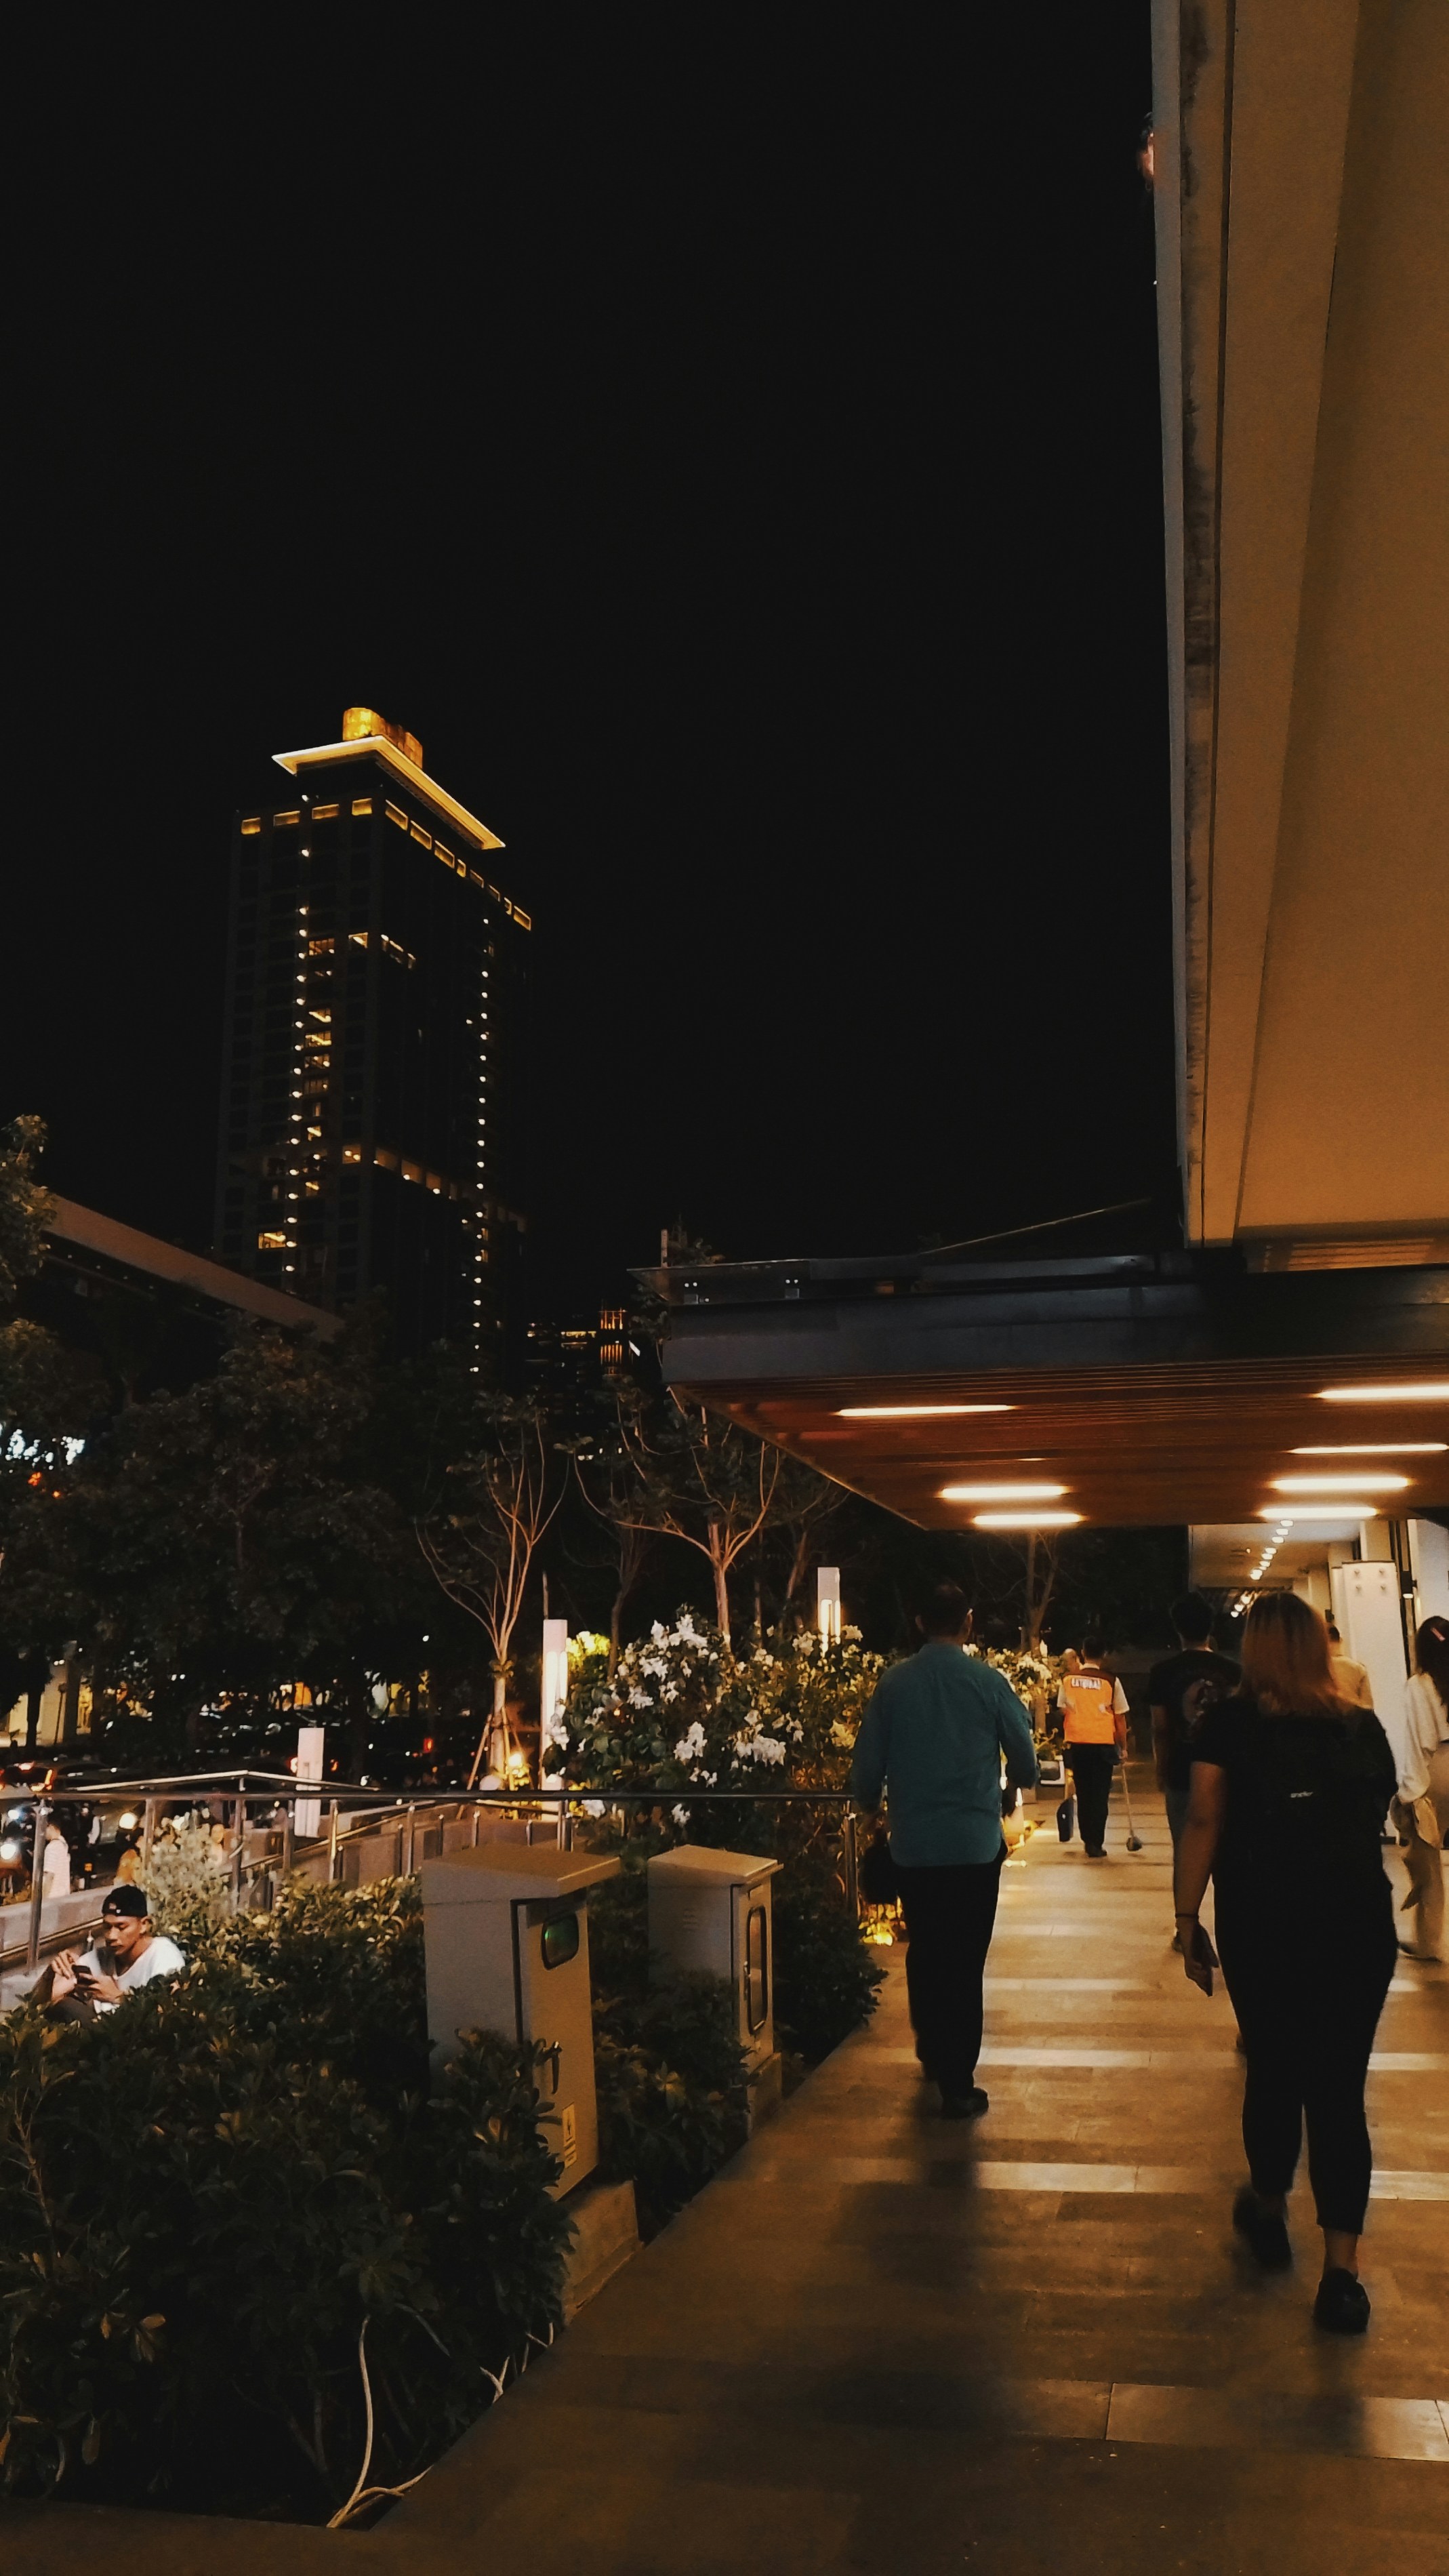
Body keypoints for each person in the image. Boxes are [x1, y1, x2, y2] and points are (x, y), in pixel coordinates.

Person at [1174, 1592, 1397, 2336]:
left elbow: (1204, 1815)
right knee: (1338, 2089)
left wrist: (1186, 1915)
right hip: (1354, 1926)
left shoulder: (1228, 1721)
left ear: (1253, 1648)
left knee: (1272, 2067)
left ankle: (1268, 2207)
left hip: (1264, 1922)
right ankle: (1342, 2275)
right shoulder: (1357, 1724)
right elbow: (1373, 1818)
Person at [850, 1579, 1038, 2120]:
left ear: (917, 1622)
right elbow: (1025, 1761)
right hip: (976, 1849)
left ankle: (932, 2048)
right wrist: (1010, 1783)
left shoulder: (893, 1685)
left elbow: (866, 1770)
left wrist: (869, 1809)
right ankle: (958, 2080)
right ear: (969, 1623)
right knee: (965, 1961)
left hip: (915, 1849)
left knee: (926, 1949)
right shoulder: (987, 1682)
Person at [1148, 1594, 1239, 1938]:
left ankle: (1185, 1924)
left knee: (1184, 1851)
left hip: (1182, 1773)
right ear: (1210, 1627)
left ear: (1177, 1629)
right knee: (1228, 1851)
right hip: (1227, 1776)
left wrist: (1161, 1768)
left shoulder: (1161, 1673)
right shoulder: (1234, 1672)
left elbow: (1159, 1728)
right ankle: (1231, 1923)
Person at [1394, 1615, 1449, 1961]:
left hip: (1439, 1770)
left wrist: (1409, 1791)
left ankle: (1427, 1941)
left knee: (1428, 1862)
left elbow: (1419, 1740)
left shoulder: (1419, 1684)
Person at [45, 1885, 186, 2020]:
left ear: (144, 1925)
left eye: (121, 1927)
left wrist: (117, 1997)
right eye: (107, 1927)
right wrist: (52, 1972)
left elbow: (169, 2014)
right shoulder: (101, 1957)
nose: (111, 1936)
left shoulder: (163, 1954)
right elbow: (41, 2004)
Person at [1055, 1634, 1128, 1857]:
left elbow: (1062, 1708)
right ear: (1104, 1655)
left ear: (1083, 1653)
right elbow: (1120, 1717)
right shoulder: (1111, 1681)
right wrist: (1123, 1747)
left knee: (1084, 1792)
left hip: (1077, 1743)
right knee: (1099, 1794)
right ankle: (1095, 1841)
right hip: (1102, 1744)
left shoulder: (1068, 1679)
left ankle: (1087, 1837)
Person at [1326, 1620, 1374, 1710]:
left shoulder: (1315, 1670)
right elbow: (1368, 1706)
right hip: (1353, 1719)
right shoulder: (1358, 1668)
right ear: (1340, 1641)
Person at [41, 1820, 73, 1901]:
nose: (43, 1833)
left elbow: (50, 1874)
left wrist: (44, 1898)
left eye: (44, 1829)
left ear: (51, 1827)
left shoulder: (52, 1847)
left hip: (52, 1895)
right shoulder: (63, 1845)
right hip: (64, 1893)